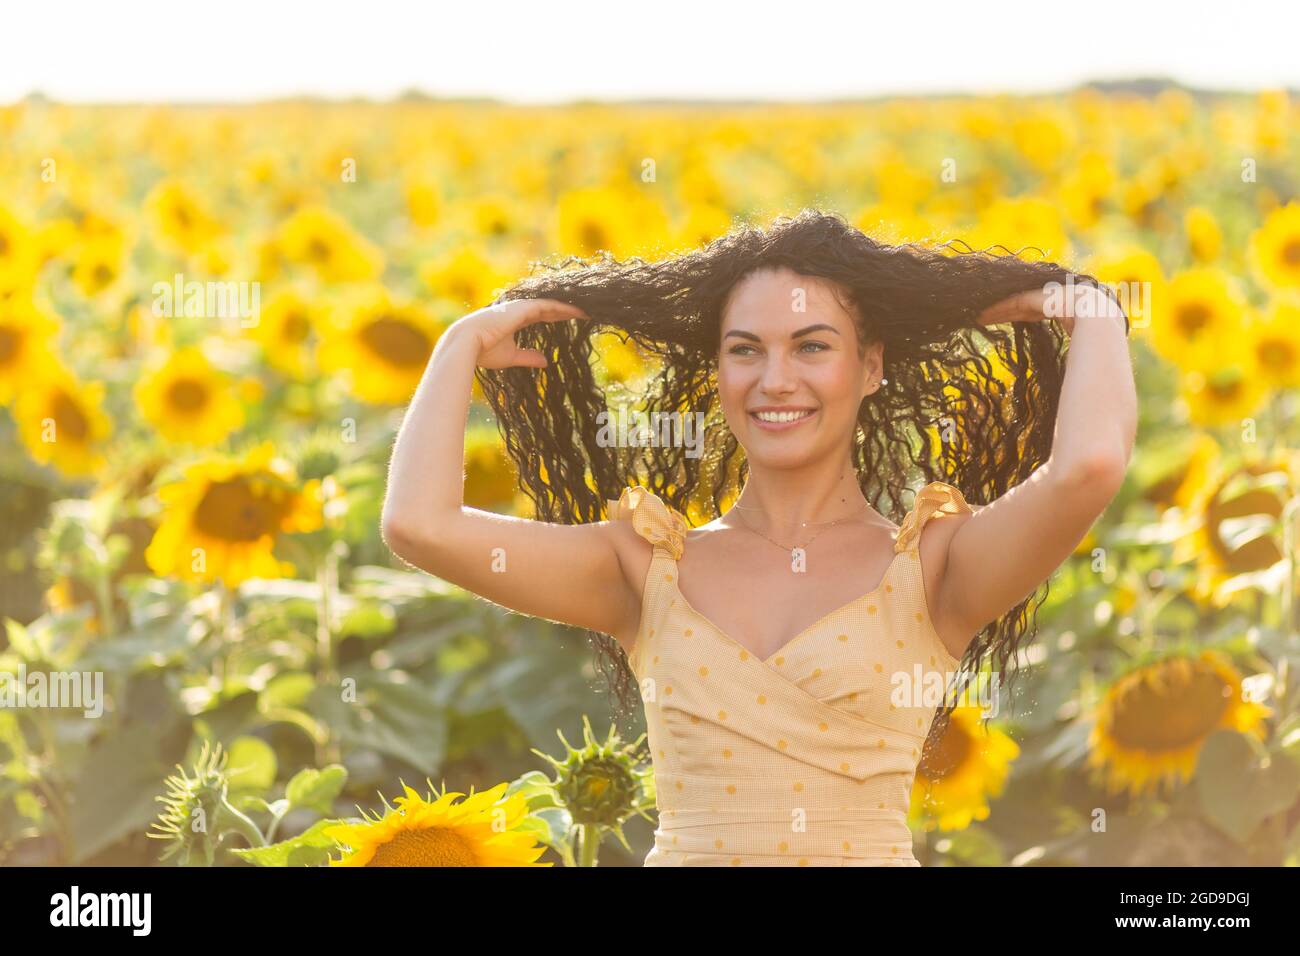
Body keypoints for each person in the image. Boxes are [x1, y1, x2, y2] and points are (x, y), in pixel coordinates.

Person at [381, 209, 1136, 865]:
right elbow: (418, 525)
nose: (775, 379)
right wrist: (458, 346)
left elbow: (1090, 466)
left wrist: (1096, 314)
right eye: (746, 349)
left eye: (811, 347)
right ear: (717, 369)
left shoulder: (937, 568)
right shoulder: (643, 568)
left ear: (870, 366)